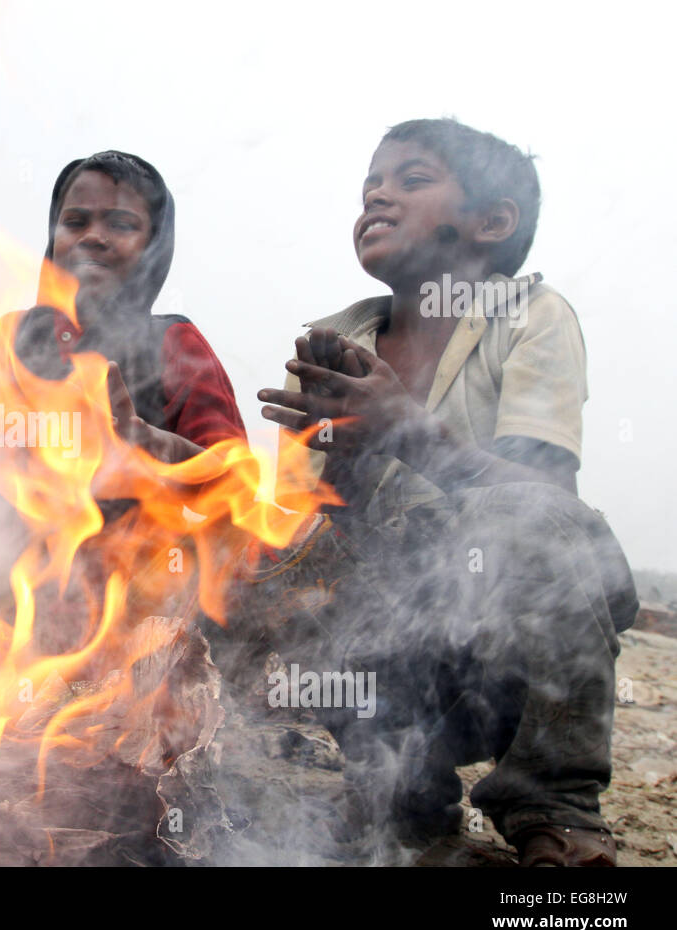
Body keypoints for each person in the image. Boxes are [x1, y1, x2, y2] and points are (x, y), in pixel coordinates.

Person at [257, 118, 637, 866]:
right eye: (371, 184)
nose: (378, 196)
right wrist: (340, 476)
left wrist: (409, 432)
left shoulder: (528, 315)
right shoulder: (336, 347)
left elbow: (547, 504)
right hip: (402, 655)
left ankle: (553, 803)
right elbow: (307, 545)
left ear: (492, 222)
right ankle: (402, 795)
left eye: (412, 180)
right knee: (268, 565)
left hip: (513, 653)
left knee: (521, 514)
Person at [0, 149, 247, 500]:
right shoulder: (2, 344)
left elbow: (239, 491)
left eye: (121, 224)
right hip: (14, 564)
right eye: (74, 221)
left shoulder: (174, 345)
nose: (93, 236)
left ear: (154, 247)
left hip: (148, 566)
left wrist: (157, 448)